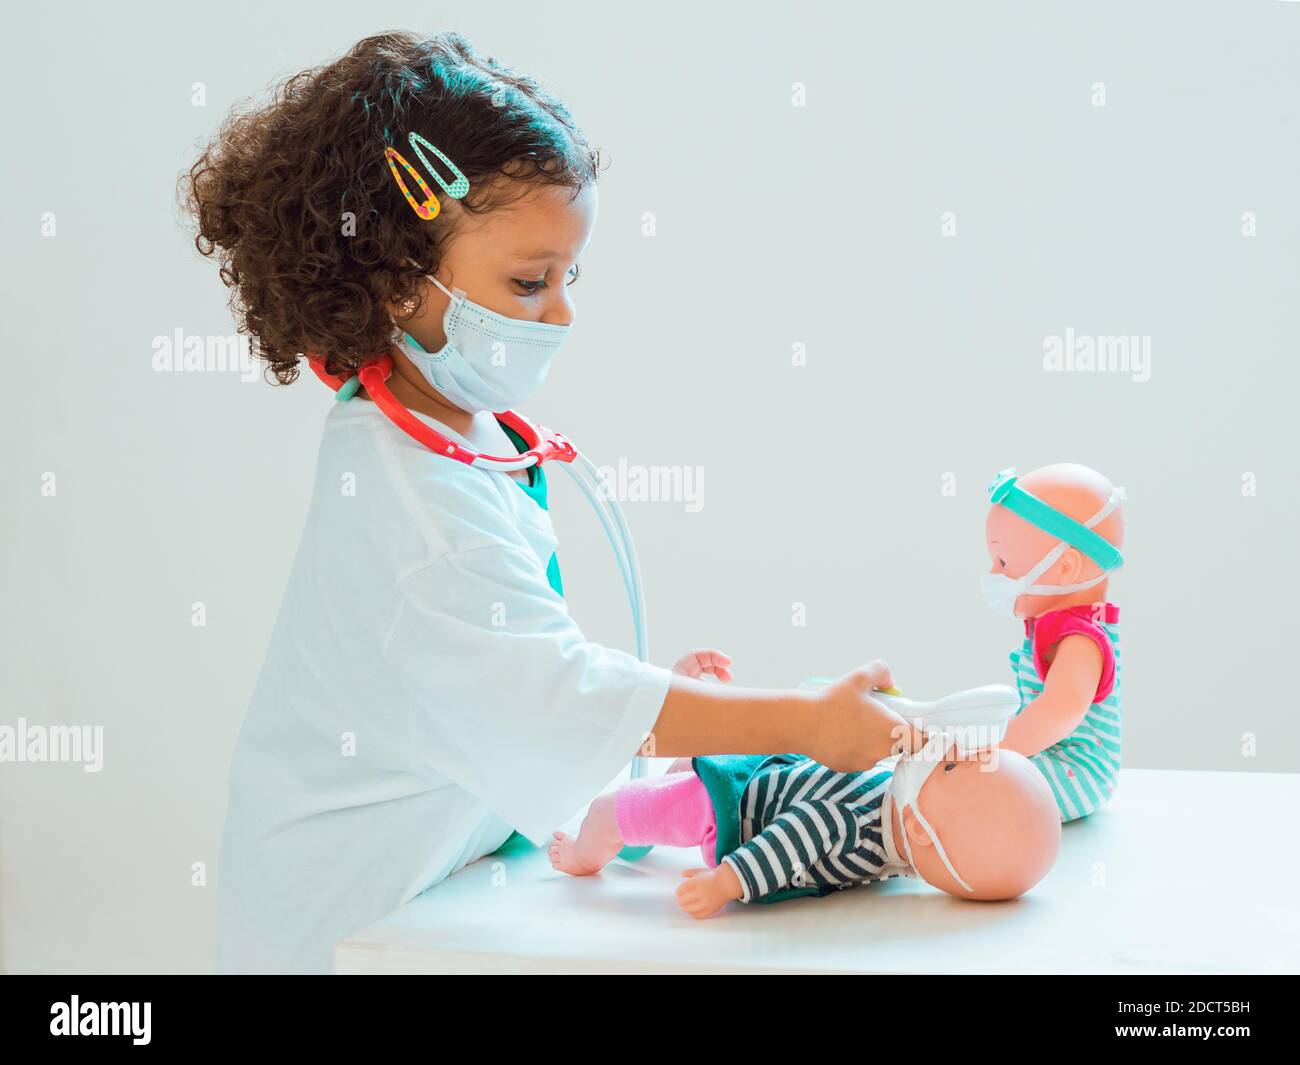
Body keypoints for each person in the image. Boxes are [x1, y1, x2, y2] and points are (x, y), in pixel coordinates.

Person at [184, 30, 920, 973]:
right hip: (341, 926)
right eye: (531, 282)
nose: (562, 311)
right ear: (400, 283)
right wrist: (802, 719)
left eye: (570, 276)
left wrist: (660, 713)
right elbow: (555, 692)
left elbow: (513, 678)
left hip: (440, 893)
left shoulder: (446, 426)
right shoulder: (416, 516)